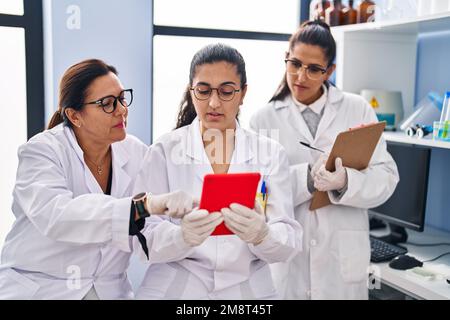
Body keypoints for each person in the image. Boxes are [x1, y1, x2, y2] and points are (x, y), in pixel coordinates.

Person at [0, 59, 195, 300]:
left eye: (122, 99)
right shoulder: (42, 151)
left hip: (108, 290)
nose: (122, 110)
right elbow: (58, 217)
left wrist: (185, 233)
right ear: (74, 116)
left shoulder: (136, 153)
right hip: (42, 287)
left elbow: (150, 232)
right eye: (107, 104)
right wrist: (142, 206)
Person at [133, 43, 303, 299]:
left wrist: (262, 234)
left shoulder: (270, 152)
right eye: (203, 91)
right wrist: (181, 237)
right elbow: (141, 239)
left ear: (243, 93)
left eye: (226, 91)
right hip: (178, 287)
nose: (213, 102)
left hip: (247, 290)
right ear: (192, 92)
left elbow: (288, 242)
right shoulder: (164, 150)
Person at [250, 21, 399, 300]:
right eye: (294, 64)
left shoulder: (357, 109)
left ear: (329, 70)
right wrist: (304, 178)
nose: (300, 76)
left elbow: (387, 177)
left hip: (340, 263)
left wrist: (346, 182)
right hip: (287, 262)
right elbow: (257, 193)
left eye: (314, 69)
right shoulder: (263, 119)